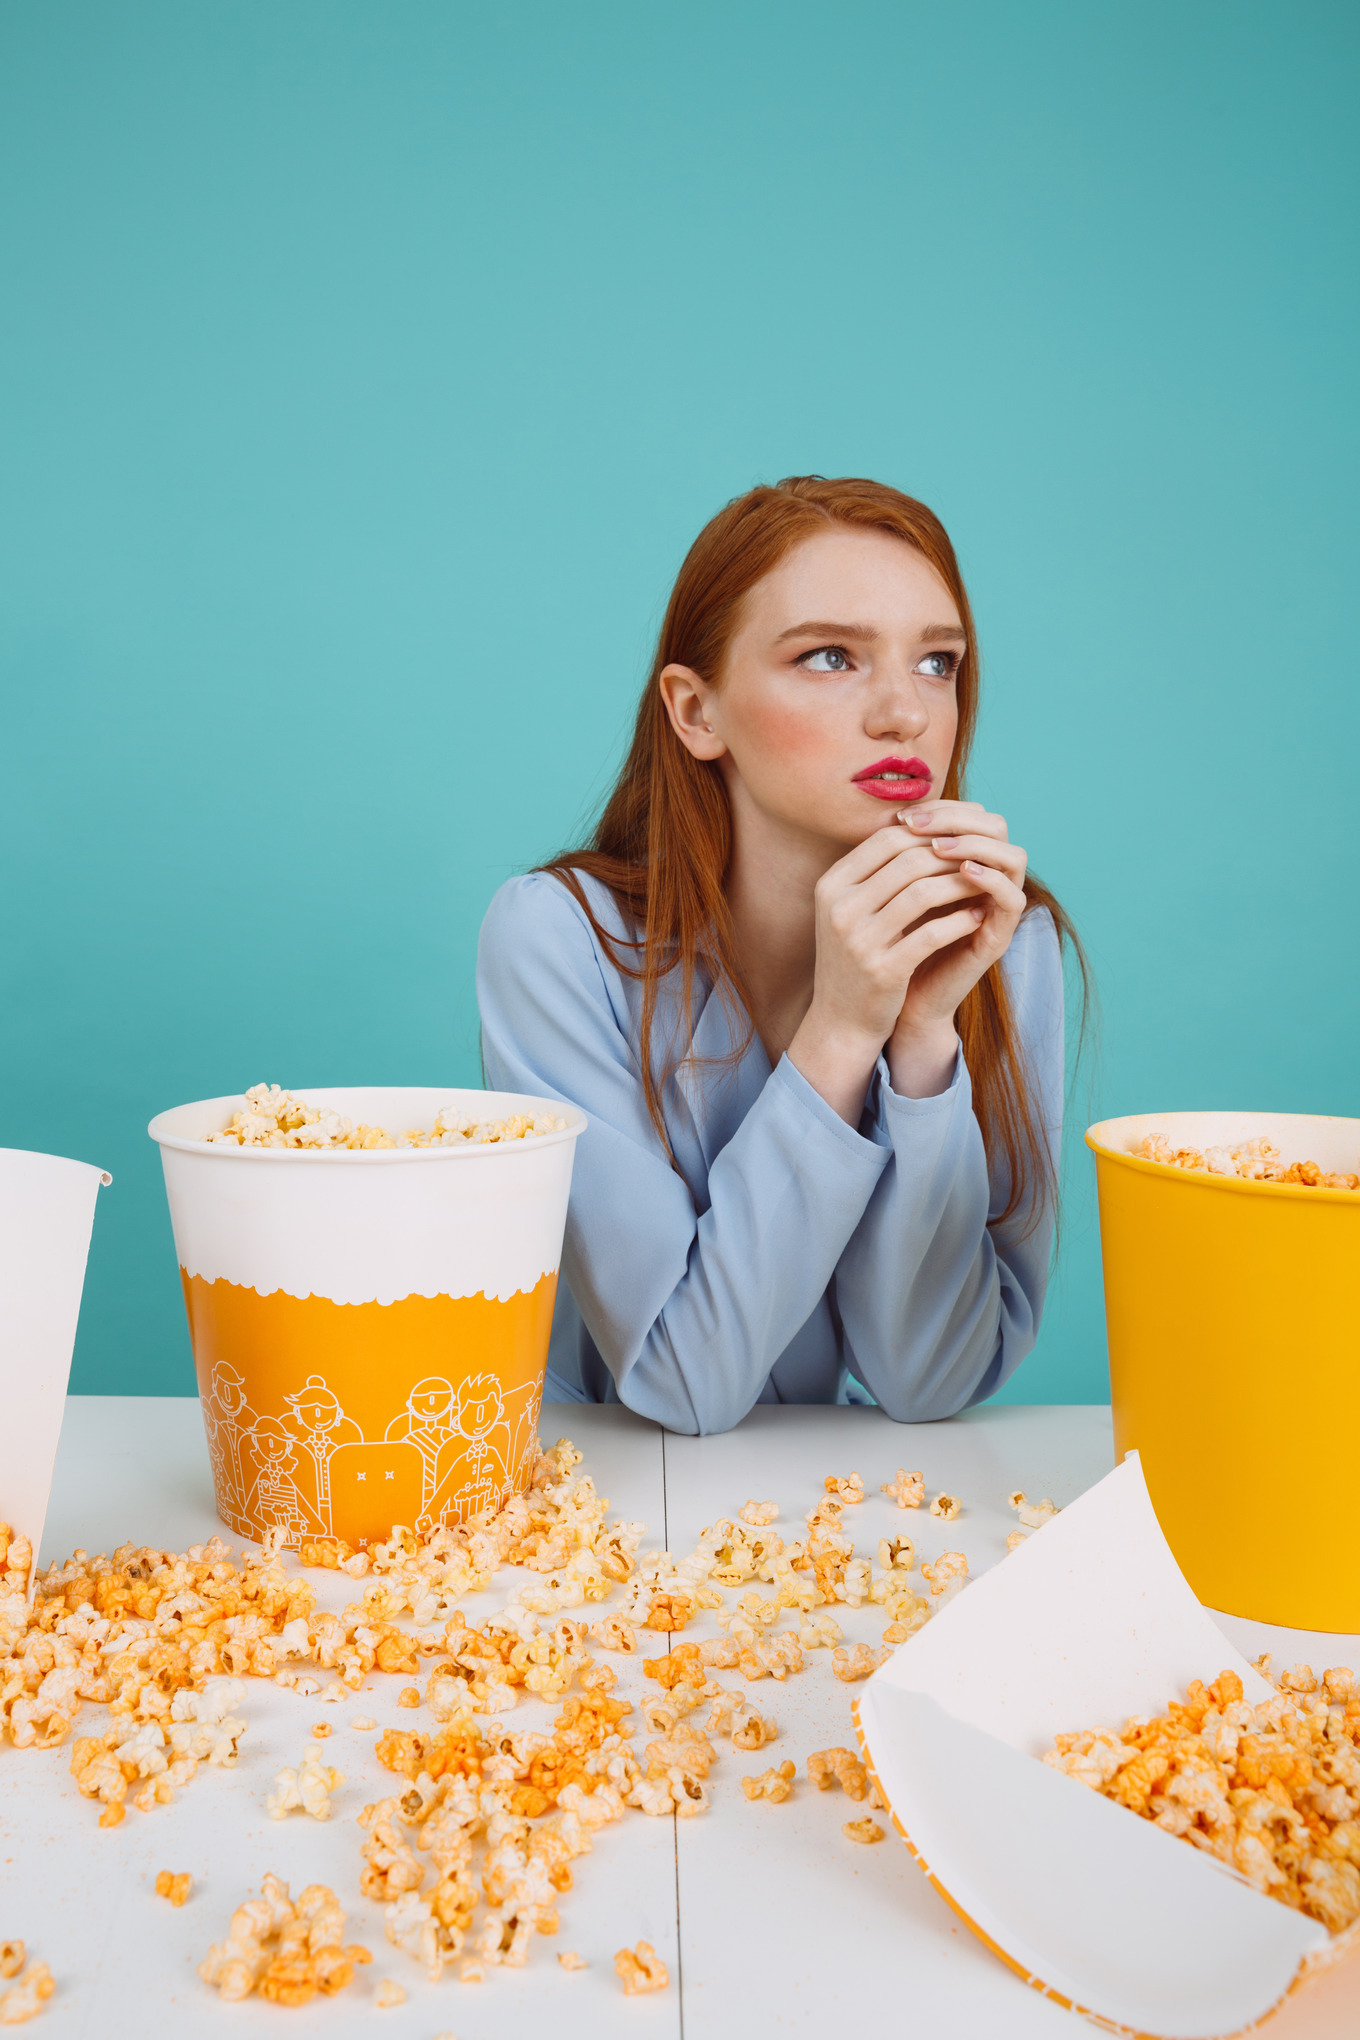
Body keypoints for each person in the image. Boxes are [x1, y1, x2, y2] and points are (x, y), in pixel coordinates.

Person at [477, 476, 1081, 1434]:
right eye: (832, 656)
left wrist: (921, 1038)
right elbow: (682, 1385)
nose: (904, 714)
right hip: (590, 1503)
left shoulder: (1005, 946)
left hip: (828, 1526)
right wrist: (843, 1031)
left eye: (937, 663)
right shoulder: (560, 940)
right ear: (696, 712)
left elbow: (929, 1382)